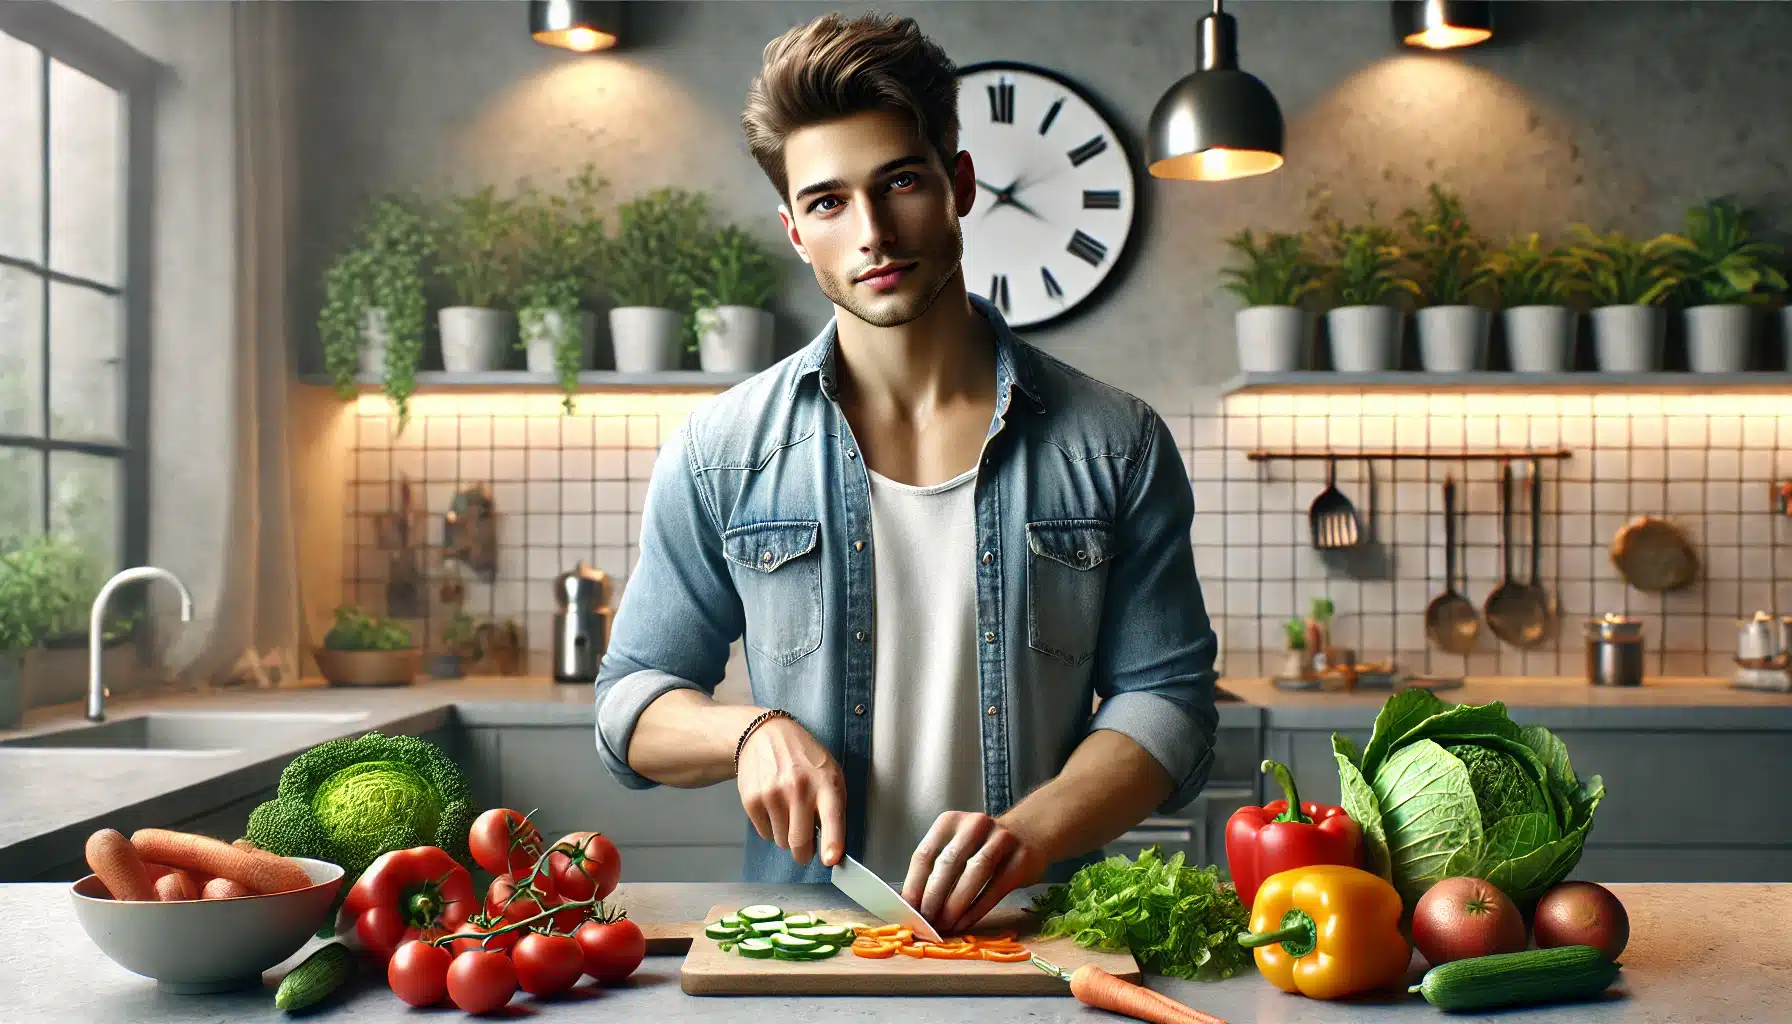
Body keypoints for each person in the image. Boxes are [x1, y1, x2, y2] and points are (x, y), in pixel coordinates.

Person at [592, 11, 1220, 936]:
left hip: (1035, 939)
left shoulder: (1115, 442)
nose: (874, 232)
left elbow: (1168, 705)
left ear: (958, 183)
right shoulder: (720, 452)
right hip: (808, 943)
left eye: (902, 182)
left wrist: (1030, 835)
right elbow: (630, 705)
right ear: (796, 232)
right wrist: (748, 732)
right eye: (829, 202)